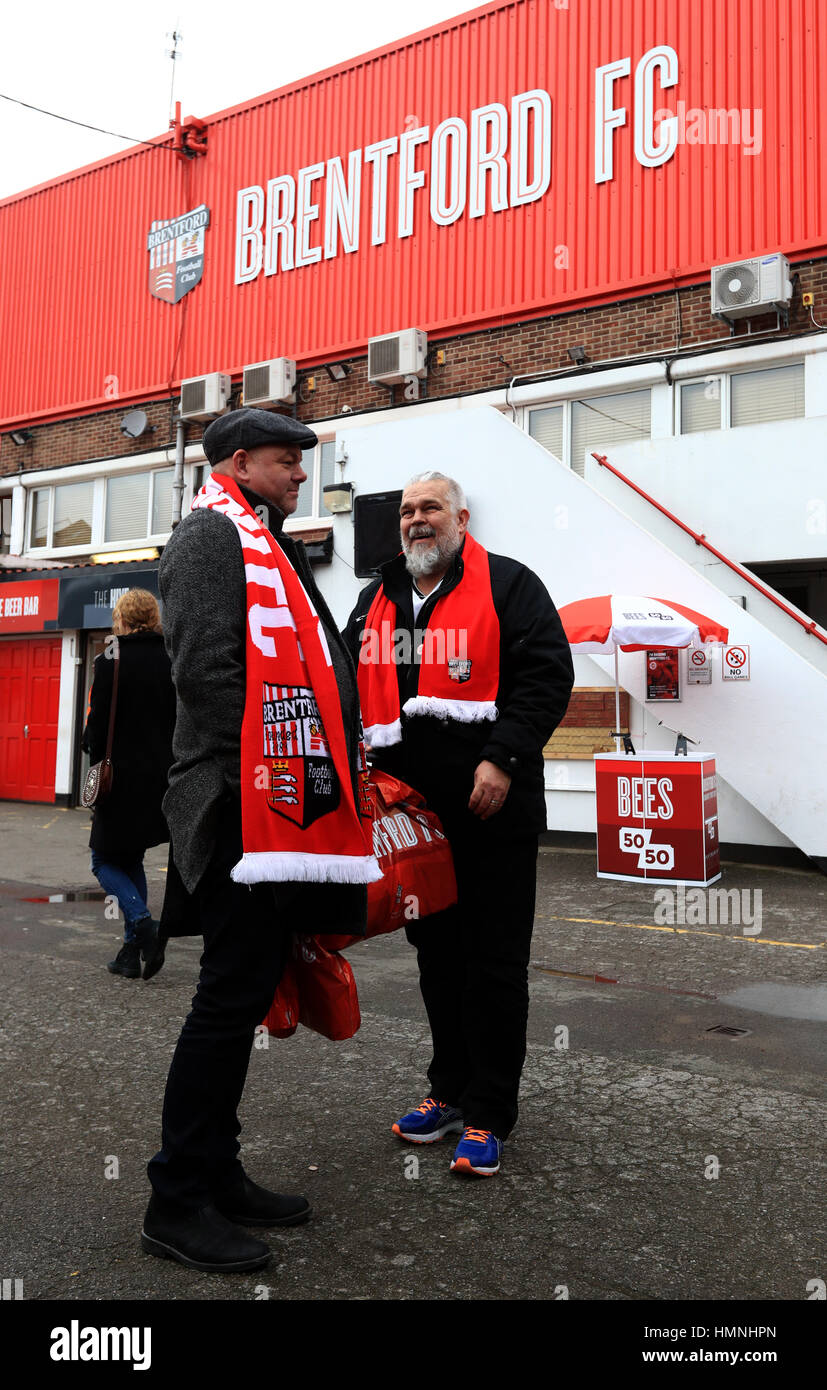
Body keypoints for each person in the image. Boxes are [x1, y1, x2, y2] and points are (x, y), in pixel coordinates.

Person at [142, 407, 377, 1274]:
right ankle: (175, 1200)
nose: (299, 475)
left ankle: (216, 1170)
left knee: (242, 999)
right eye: (287, 462)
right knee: (225, 1000)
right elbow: (205, 674)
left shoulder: (267, 541)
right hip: (241, 806)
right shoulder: (211, 539)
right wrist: (287, 766)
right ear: (239, 461)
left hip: (281, 802)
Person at [344, 471, 574, 1178]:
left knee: (494, 963)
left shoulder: (511, 585)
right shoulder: (375, 598)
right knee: (436, 958)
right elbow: (347, 680)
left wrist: (501, 757)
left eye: (430, 507)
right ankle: (447, 1091)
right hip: (414, 819)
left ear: (461, 518)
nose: (416, 519)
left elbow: (544, 678)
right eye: (408, 510)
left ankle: (489, 1113)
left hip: (493, 810)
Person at [82, 589, 175, 979]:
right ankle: (129, 955)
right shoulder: (170, 659)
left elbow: (97, 729)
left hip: (119, 781)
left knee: (102, 860)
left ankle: (144, 924)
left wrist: (91, 747)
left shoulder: (110, 661)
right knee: (131, 857)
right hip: (159, 778)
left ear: (122, 618)